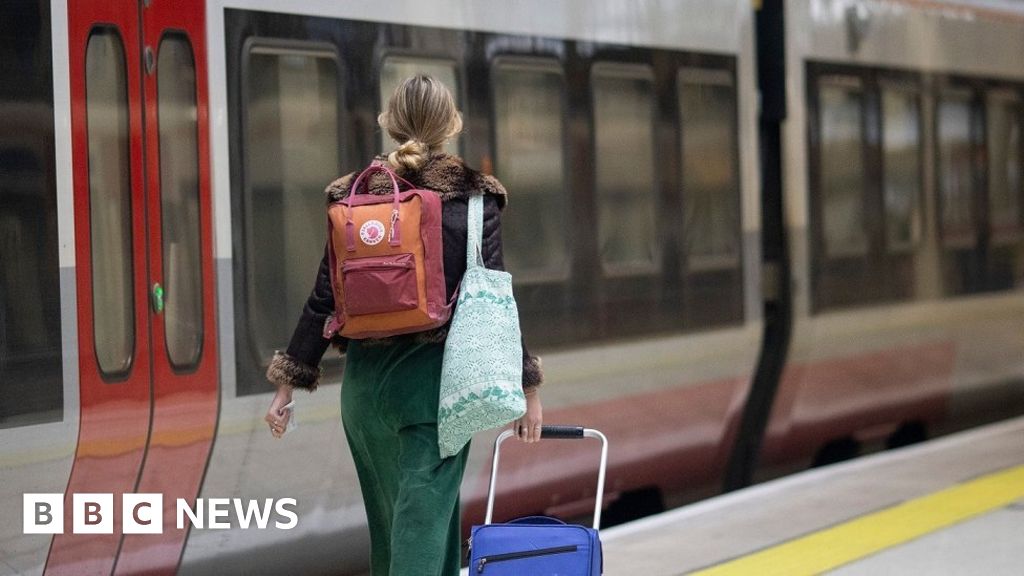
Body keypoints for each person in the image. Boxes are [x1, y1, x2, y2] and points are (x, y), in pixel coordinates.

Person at [263, 74, 544, 576]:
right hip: (434, 394)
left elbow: (324, 297)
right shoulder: (475, 200)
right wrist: (529, 389)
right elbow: (497, 304)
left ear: (390, 124)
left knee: (400, 530)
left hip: (365, 395)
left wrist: (288, 383)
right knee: (420, 529)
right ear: (451, 124)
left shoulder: (351, 196)